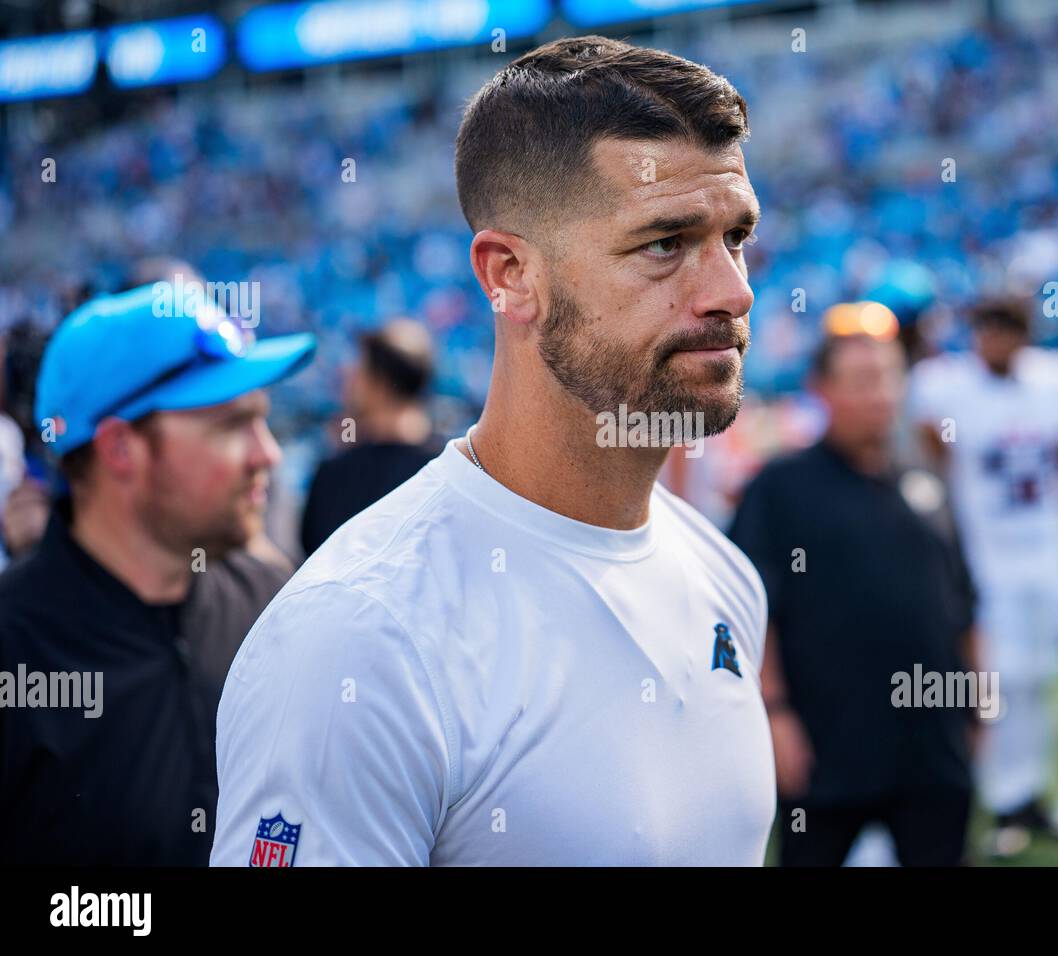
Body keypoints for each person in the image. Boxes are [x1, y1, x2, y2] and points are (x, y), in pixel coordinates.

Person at [211, 35, 773, 867]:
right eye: (665, 243)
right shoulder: (359, 641)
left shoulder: (722, 573)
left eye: (736, 237)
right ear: (509, 274)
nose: (734, 290)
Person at [0, 284, 316, 865]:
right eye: (230, 424)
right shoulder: (15, 648)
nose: (267, 454)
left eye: (263, 421)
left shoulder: (275, 605)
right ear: (122, 449)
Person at [729, 330, 979, 866]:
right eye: (863, 380)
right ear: (822, 389)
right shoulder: (781, 486)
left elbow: (962, 602)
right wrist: (773, 715)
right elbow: (752, 612)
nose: (882, 393)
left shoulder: (922, 476)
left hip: (931, 747)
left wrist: (981, 707)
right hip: (828, 748)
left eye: (891, 377)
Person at [910, 297, 1058, 856]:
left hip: (1048, 551)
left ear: (1025, 334)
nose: (994, 341)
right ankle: (1000, 803)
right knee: (996, 681)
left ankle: (1030, 793)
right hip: (987, 558)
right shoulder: (945, 387)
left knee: (1040, 677)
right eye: (985, 328)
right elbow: (933, 470)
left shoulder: (1057, 379)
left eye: (1006, 330)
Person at [299, 318, 440, 556]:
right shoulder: (448, 466)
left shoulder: (335, 476)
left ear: (380, 384)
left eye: (359, 372)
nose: (350, 382)